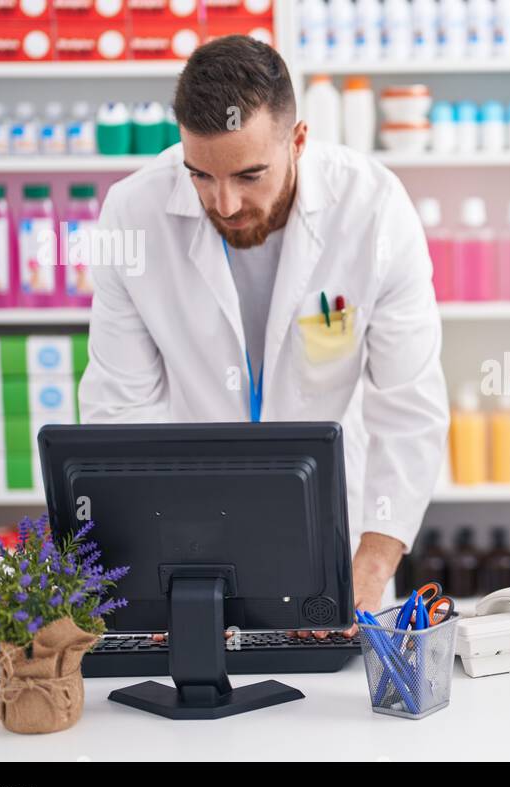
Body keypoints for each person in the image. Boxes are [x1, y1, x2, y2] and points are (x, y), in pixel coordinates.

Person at [77, 36, 449, 614]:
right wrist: (143, 567)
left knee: (328, 699)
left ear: (298, 140)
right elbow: (119, 411)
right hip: (186, 527)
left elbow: (408, 408)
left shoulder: (373, 209)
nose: (224, 203)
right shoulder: (134, 215)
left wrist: (371, 569)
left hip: (338, 529)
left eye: (250, 175)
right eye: (200, 174)